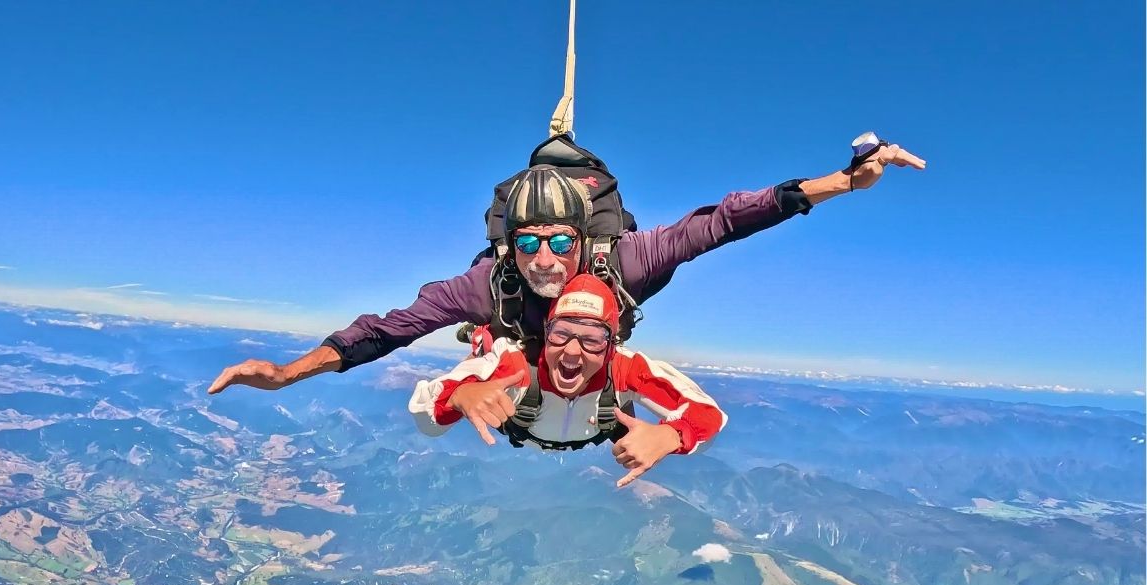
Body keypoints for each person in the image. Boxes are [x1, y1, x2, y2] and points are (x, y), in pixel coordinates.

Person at [207, 133, 926, 394]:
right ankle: (493, 347)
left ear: (584, 237)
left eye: (558, 241)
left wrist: (843, 182)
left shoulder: (631, 261)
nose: (543, 257)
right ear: (506, 247)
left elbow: (727, 220)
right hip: (522, 338)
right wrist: (286, 374)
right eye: (528, 244)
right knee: (491, 341)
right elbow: (388, 329)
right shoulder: (489, 282)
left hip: (583, 335)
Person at [408, 274, 727, 488]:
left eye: (592, 339)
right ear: (546, 332)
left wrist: (671, 436)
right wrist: (460, 395)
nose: (572, 352)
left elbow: (709, 415)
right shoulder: (516, 365)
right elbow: (425, 415)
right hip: (504, 362)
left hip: (542, 427)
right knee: (486, 343)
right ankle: (479, 334)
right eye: (561, 334)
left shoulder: (625, 369)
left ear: (612, 345)